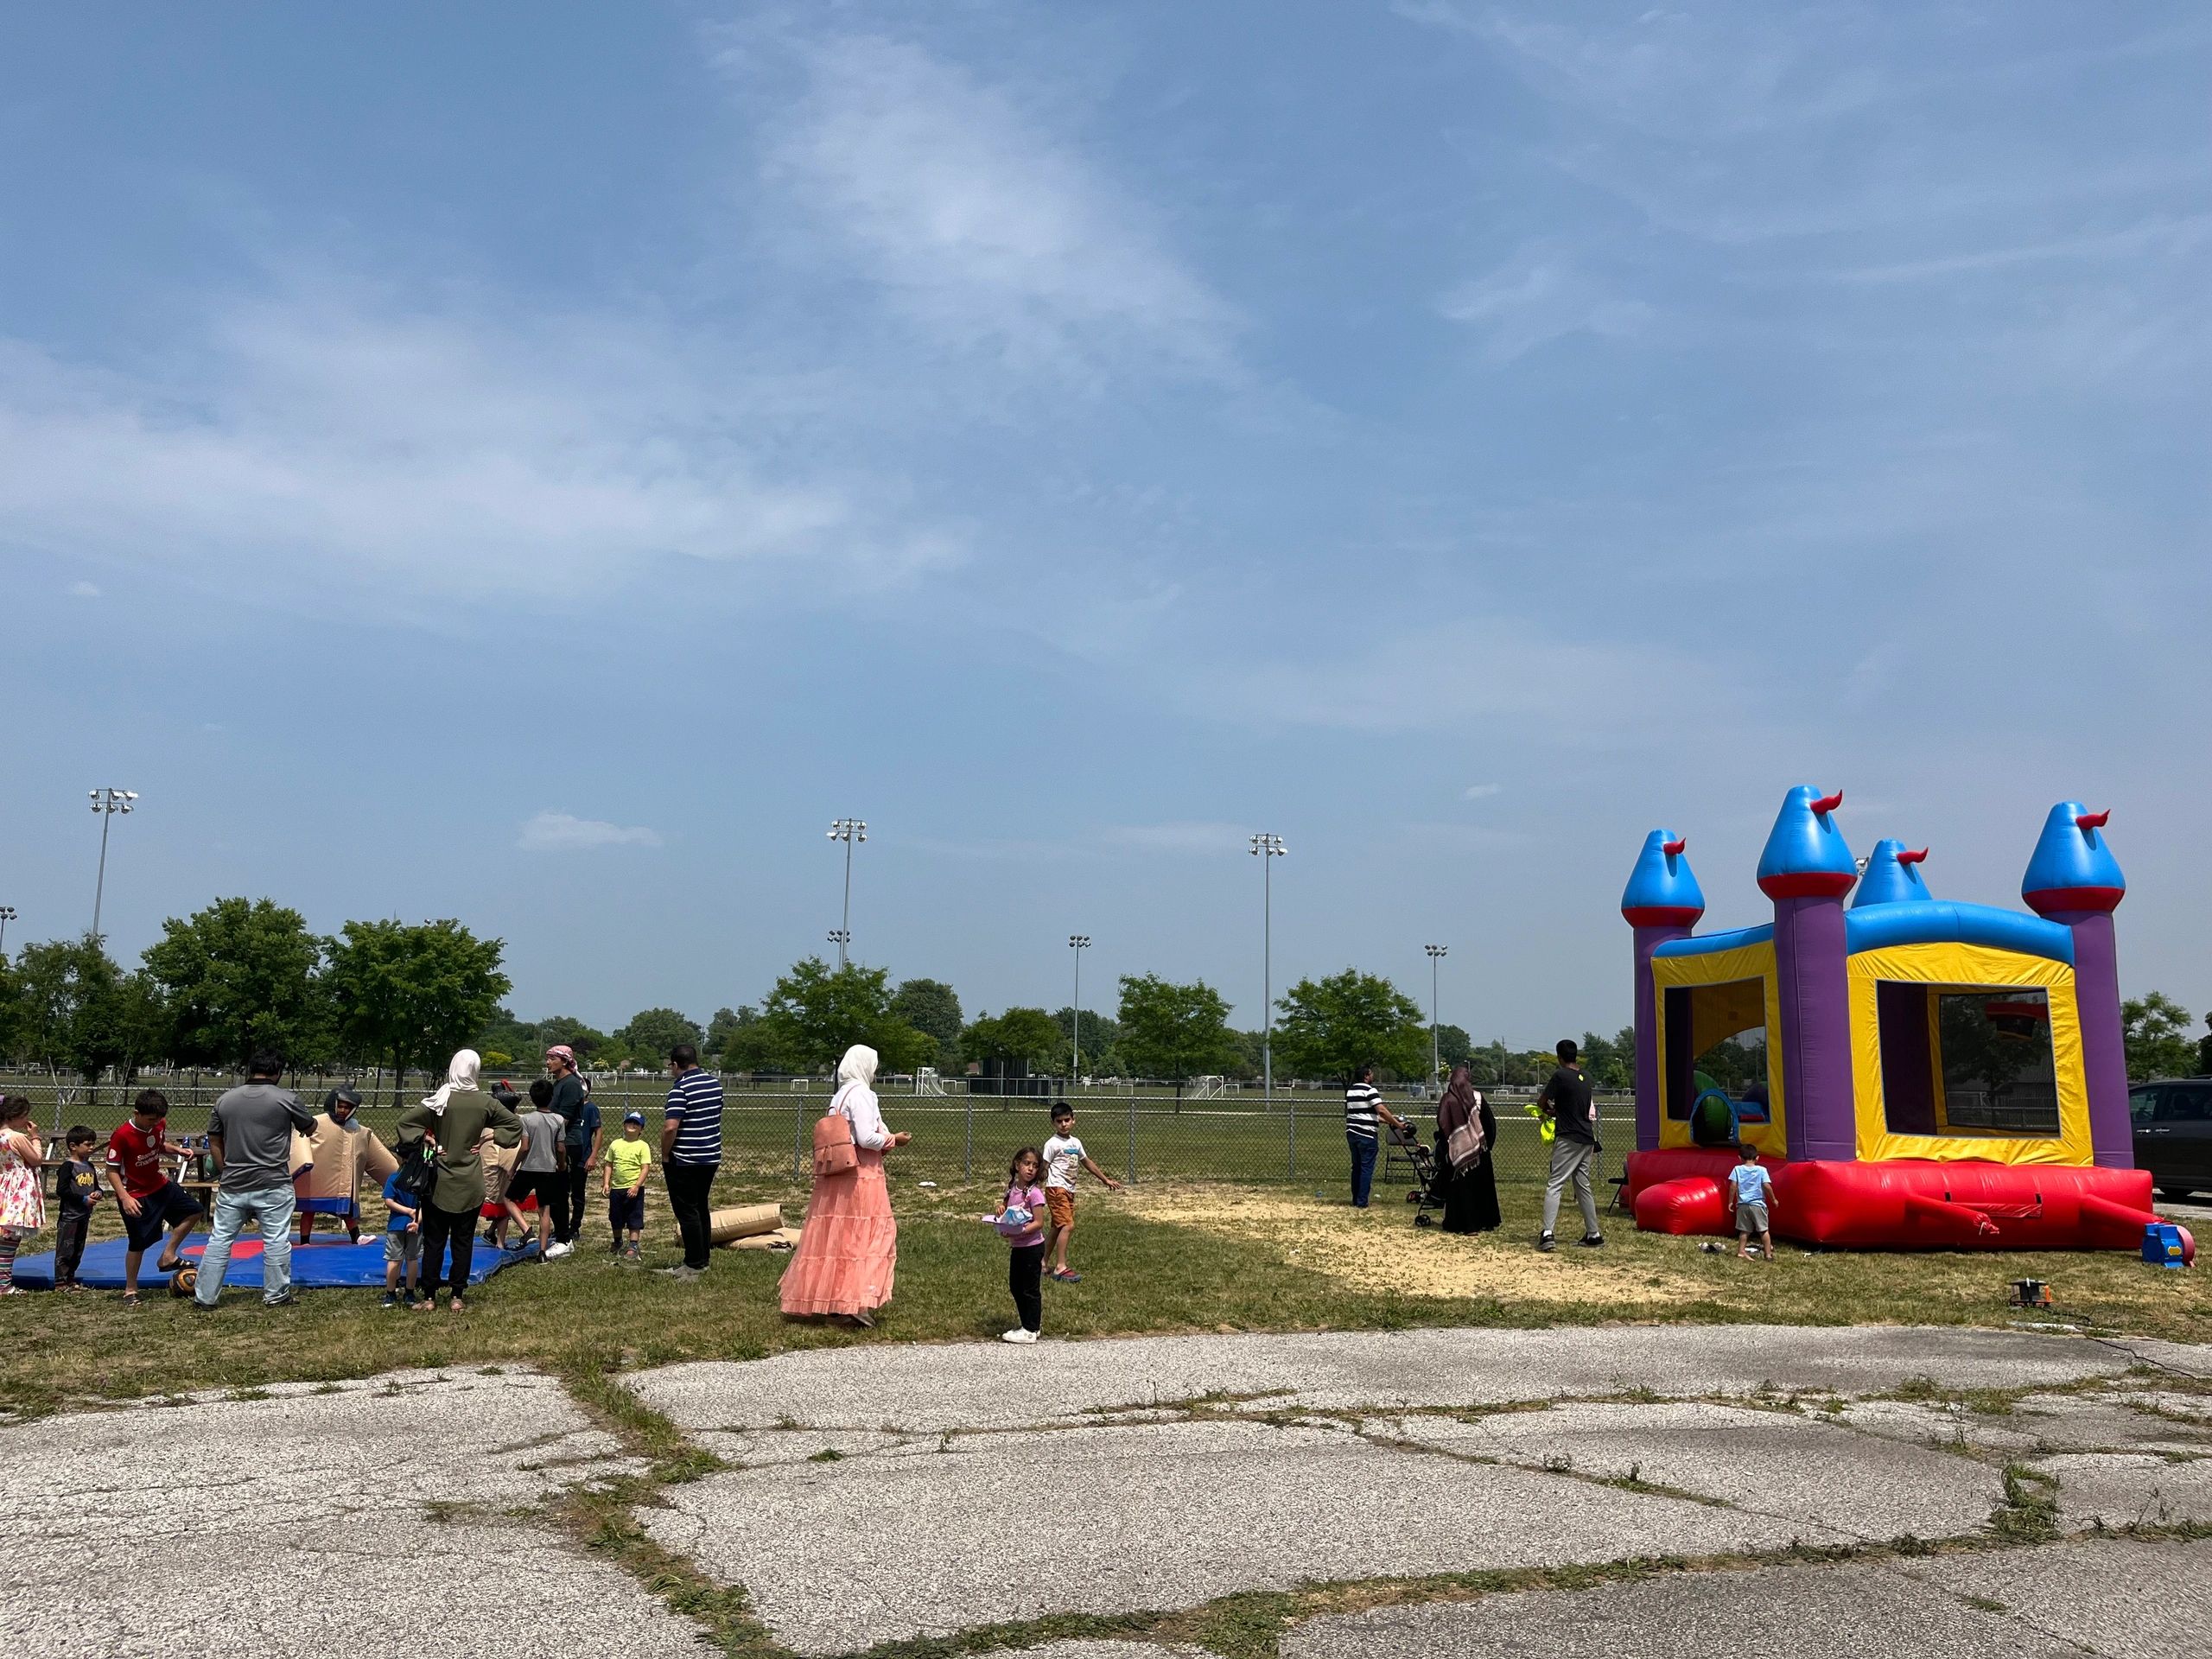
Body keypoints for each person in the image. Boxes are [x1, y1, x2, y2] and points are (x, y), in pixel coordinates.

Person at [780, 1044, 908, 1325]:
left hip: (836, 1177)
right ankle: (854, 1300)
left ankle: (834, 1303)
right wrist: (892, 1140)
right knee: (868, 1236)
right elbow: (865, 1138)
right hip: (861, 1175)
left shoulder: (839, 1095)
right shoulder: (863, 1094)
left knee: (838, 1238)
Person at [396, 1050, 523, 1313]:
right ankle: (457, 1295)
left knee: (434, 1241)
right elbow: (514, 1127)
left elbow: (405, 1123)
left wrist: (427, 1139)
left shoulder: (439, 1099)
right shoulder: (485, 1102)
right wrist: (488, 1138)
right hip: (471, 1183)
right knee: (463, 1241)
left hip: (439, 1180)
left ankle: (429, 1297)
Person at [195, 1051, 318, 1310]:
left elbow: (215, 1140)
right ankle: (276, 1295)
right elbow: (309, 1127)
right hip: (273, 1181)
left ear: (250, 1070)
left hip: (233, 1183)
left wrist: (223, 1169)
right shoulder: (286, 1099)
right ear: (277, 1072)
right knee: (275, 1240)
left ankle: (205, 1297)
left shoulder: (225, 1100)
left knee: (220, 1239)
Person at [105, 1089, 205, 1305]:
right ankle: (130, 1290)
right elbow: (111, 1170)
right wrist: (124, 1198)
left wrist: (176, 1150)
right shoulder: (122, 1135)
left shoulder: (158, 1124)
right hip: (135, 1193)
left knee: (194, 1210)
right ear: (136, 1113)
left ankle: (168, 1256)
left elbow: (158, 1145)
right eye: (150, 1119)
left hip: (158, 1185)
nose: (154, 1123)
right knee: (138, 1242)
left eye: (158, 1119)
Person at [295, 1084, 397, 1246]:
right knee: (309, 1208)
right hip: (316, 1176)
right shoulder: (317, 1123)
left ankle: (356, 1236)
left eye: (347, 1108)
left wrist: (397, 1177)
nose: (343, 1111)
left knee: (345, 1208)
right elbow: (298, 1144)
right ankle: (304, 1240)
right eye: (340, 1106)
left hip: (340, 1176)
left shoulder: (357, 1130)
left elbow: (374, 1154)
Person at [659, 1043, 724, 1278]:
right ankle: (703, 1258)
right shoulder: (714, 1084)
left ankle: (693, 1263)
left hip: (686, 1158)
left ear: (676, 1065)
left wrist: (666, 1154)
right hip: (711, 1155)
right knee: (700, 1207)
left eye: (671, 1067)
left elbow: (670, 1128)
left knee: (686, 1211)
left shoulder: (680, 1089)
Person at [1040, 1101, 1122, 1282]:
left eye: (1067, 1120)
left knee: (1057, 1227)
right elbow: (1043, 1167)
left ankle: (1043, 1263)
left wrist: (1105, 1179)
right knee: (1068, 1226)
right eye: (1059, 1121)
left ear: (1073, 1120)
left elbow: (1087, 1162)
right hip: (1056, 1189)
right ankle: (1060, 1267)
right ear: (1053, 1123)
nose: (1064, 1124)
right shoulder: (1052, 1144)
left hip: (1069, 1190)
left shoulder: (1075, 1142)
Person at [1535, 1039, 1604, 1253]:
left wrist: (1546, 1111)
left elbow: (1542, 1101)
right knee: (1583, 1186)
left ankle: (1547, 1233)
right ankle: (1594, 1234)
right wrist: (1559, 1111)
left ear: (1560, 1057)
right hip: (1586, 1137)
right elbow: (1575, 1105)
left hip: (1568, 1137)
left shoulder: (1560, 1075)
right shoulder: (1585, 1077)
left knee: (1555, 1183)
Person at [542, 1045, 597, 1258]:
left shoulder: (572, 1084)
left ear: (564, 1061)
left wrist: (542, 1129)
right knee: (556, 1191)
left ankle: (568, 1234)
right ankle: (561, 1231)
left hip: (569, 1142)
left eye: (552, 1058)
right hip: (556, 1139)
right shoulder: (558, 1083)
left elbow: (562, 1118)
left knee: (565, 1190)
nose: (547, 1062)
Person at [500, 1078, 565, 1257]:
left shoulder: (527, 1119)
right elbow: (560, 1147)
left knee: (509, 1199)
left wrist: (514, 1167)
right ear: (551, 1097)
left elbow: (525, 1147)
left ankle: (527, 1229)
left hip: (529, 1168)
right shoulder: (558, 1119)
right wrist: (562, 1163)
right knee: (544, 1210)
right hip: (548, 1170)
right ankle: (542, 1251)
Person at [1434, 1064, 1501, 1235]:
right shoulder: (1478, 1097)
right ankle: (1485, 1221)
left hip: (1457, 1153)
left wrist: (1445, 1147)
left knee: (1460, 1190)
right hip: (1480, 1151)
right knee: (1482, 1188)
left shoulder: (1447, 1099)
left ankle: (1460, 1223)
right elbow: (1490, 1123)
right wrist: (1487, 1146)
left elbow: (1442, 1126)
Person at [991, 1147, 1048, 1345]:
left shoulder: (1035, 1194)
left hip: (1032, 1247)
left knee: (1029, 1289)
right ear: (1017, 1165)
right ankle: (1028, 1323)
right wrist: (1001, 1209)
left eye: (1035, 1165)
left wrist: (1021, 1231)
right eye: (1026, 1163)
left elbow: (1039, 1222)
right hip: (1018, 1248)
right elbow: (1007, 1212)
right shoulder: (1012, 1190)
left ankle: (1031, 1329)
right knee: (1016, 1286)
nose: (1030, 1169)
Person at [51, 1125, 107, 1292]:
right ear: (73, 1146)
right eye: (88, 1144)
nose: (92, 1148)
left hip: (84, 1215)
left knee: (78, 1249)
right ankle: (60, 1282)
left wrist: (98, 1193)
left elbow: (96, 1186)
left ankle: (71, 1280)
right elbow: (61, 1190)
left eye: (93, 1144)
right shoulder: (68, 1166)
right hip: (69, 1216)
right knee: (65, 1249)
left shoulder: (89, 1166)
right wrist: (83, 1199)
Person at [1344, 1064, 1408, 1210]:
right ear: (1366, 1076)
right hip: (1367, 1134)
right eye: (1371, 1074)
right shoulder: (1370, 1090)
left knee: (1357, 1167)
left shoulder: (1351, 1091)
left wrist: (1388, 1122)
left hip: (1352, 1133)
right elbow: (1381, 1110)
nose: (1372, 1076)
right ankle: (1362, 1201)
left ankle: (1355, 1199)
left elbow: (1364, 1114)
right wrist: (1398, 1124)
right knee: (1367, 1167)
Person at [0, 1096, 45, 1296]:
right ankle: (4, 1285)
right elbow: (36, 1159)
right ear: (15, 1117)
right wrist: (35, 1137)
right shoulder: (16, 1137)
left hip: (4, 1184)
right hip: (18, 1189)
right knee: (9, 1239)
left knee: (5, 1235)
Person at [604, 1112, 653, 1260]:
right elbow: (609, 1164)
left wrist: (637, 1185)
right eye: (629, 1123)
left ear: (641, 1129)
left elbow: (645, 1168)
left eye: (636, 1124)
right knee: (615, 1217)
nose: (632, 1126)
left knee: (634, 1217)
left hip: (634, 1189)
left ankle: (633, 1244)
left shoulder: (643, 1146)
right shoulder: (615, 1144)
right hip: (616, 1188)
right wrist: (606, 1182)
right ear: (624, 1126)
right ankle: (618, 1241)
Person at [380, 1165, 424, 1308]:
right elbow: (425, 1203)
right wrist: (416, 1218)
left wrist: (406, 1211)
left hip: (396, 1225)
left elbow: (389, 1201)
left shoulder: (394, 1178)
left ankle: (390, 1294)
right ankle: (410, 1293)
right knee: (412, 1259)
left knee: (394, 1260)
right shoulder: (422, 1178)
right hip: (416, 1226)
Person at [1726, 1144, 1776, 1262]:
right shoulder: (1762, 1170)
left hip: (1742, 1204)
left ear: (1740, 1158)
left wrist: (1730, 1202)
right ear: (1757, 1158)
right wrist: (1773, 1199)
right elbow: (1766, 1186)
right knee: (1763, 1230)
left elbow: (1733, 1186)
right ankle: (1768, 1254)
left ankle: (1741, 1251)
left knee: (1744, 1230)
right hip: (1757, 1204)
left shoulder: (1737, 1169)